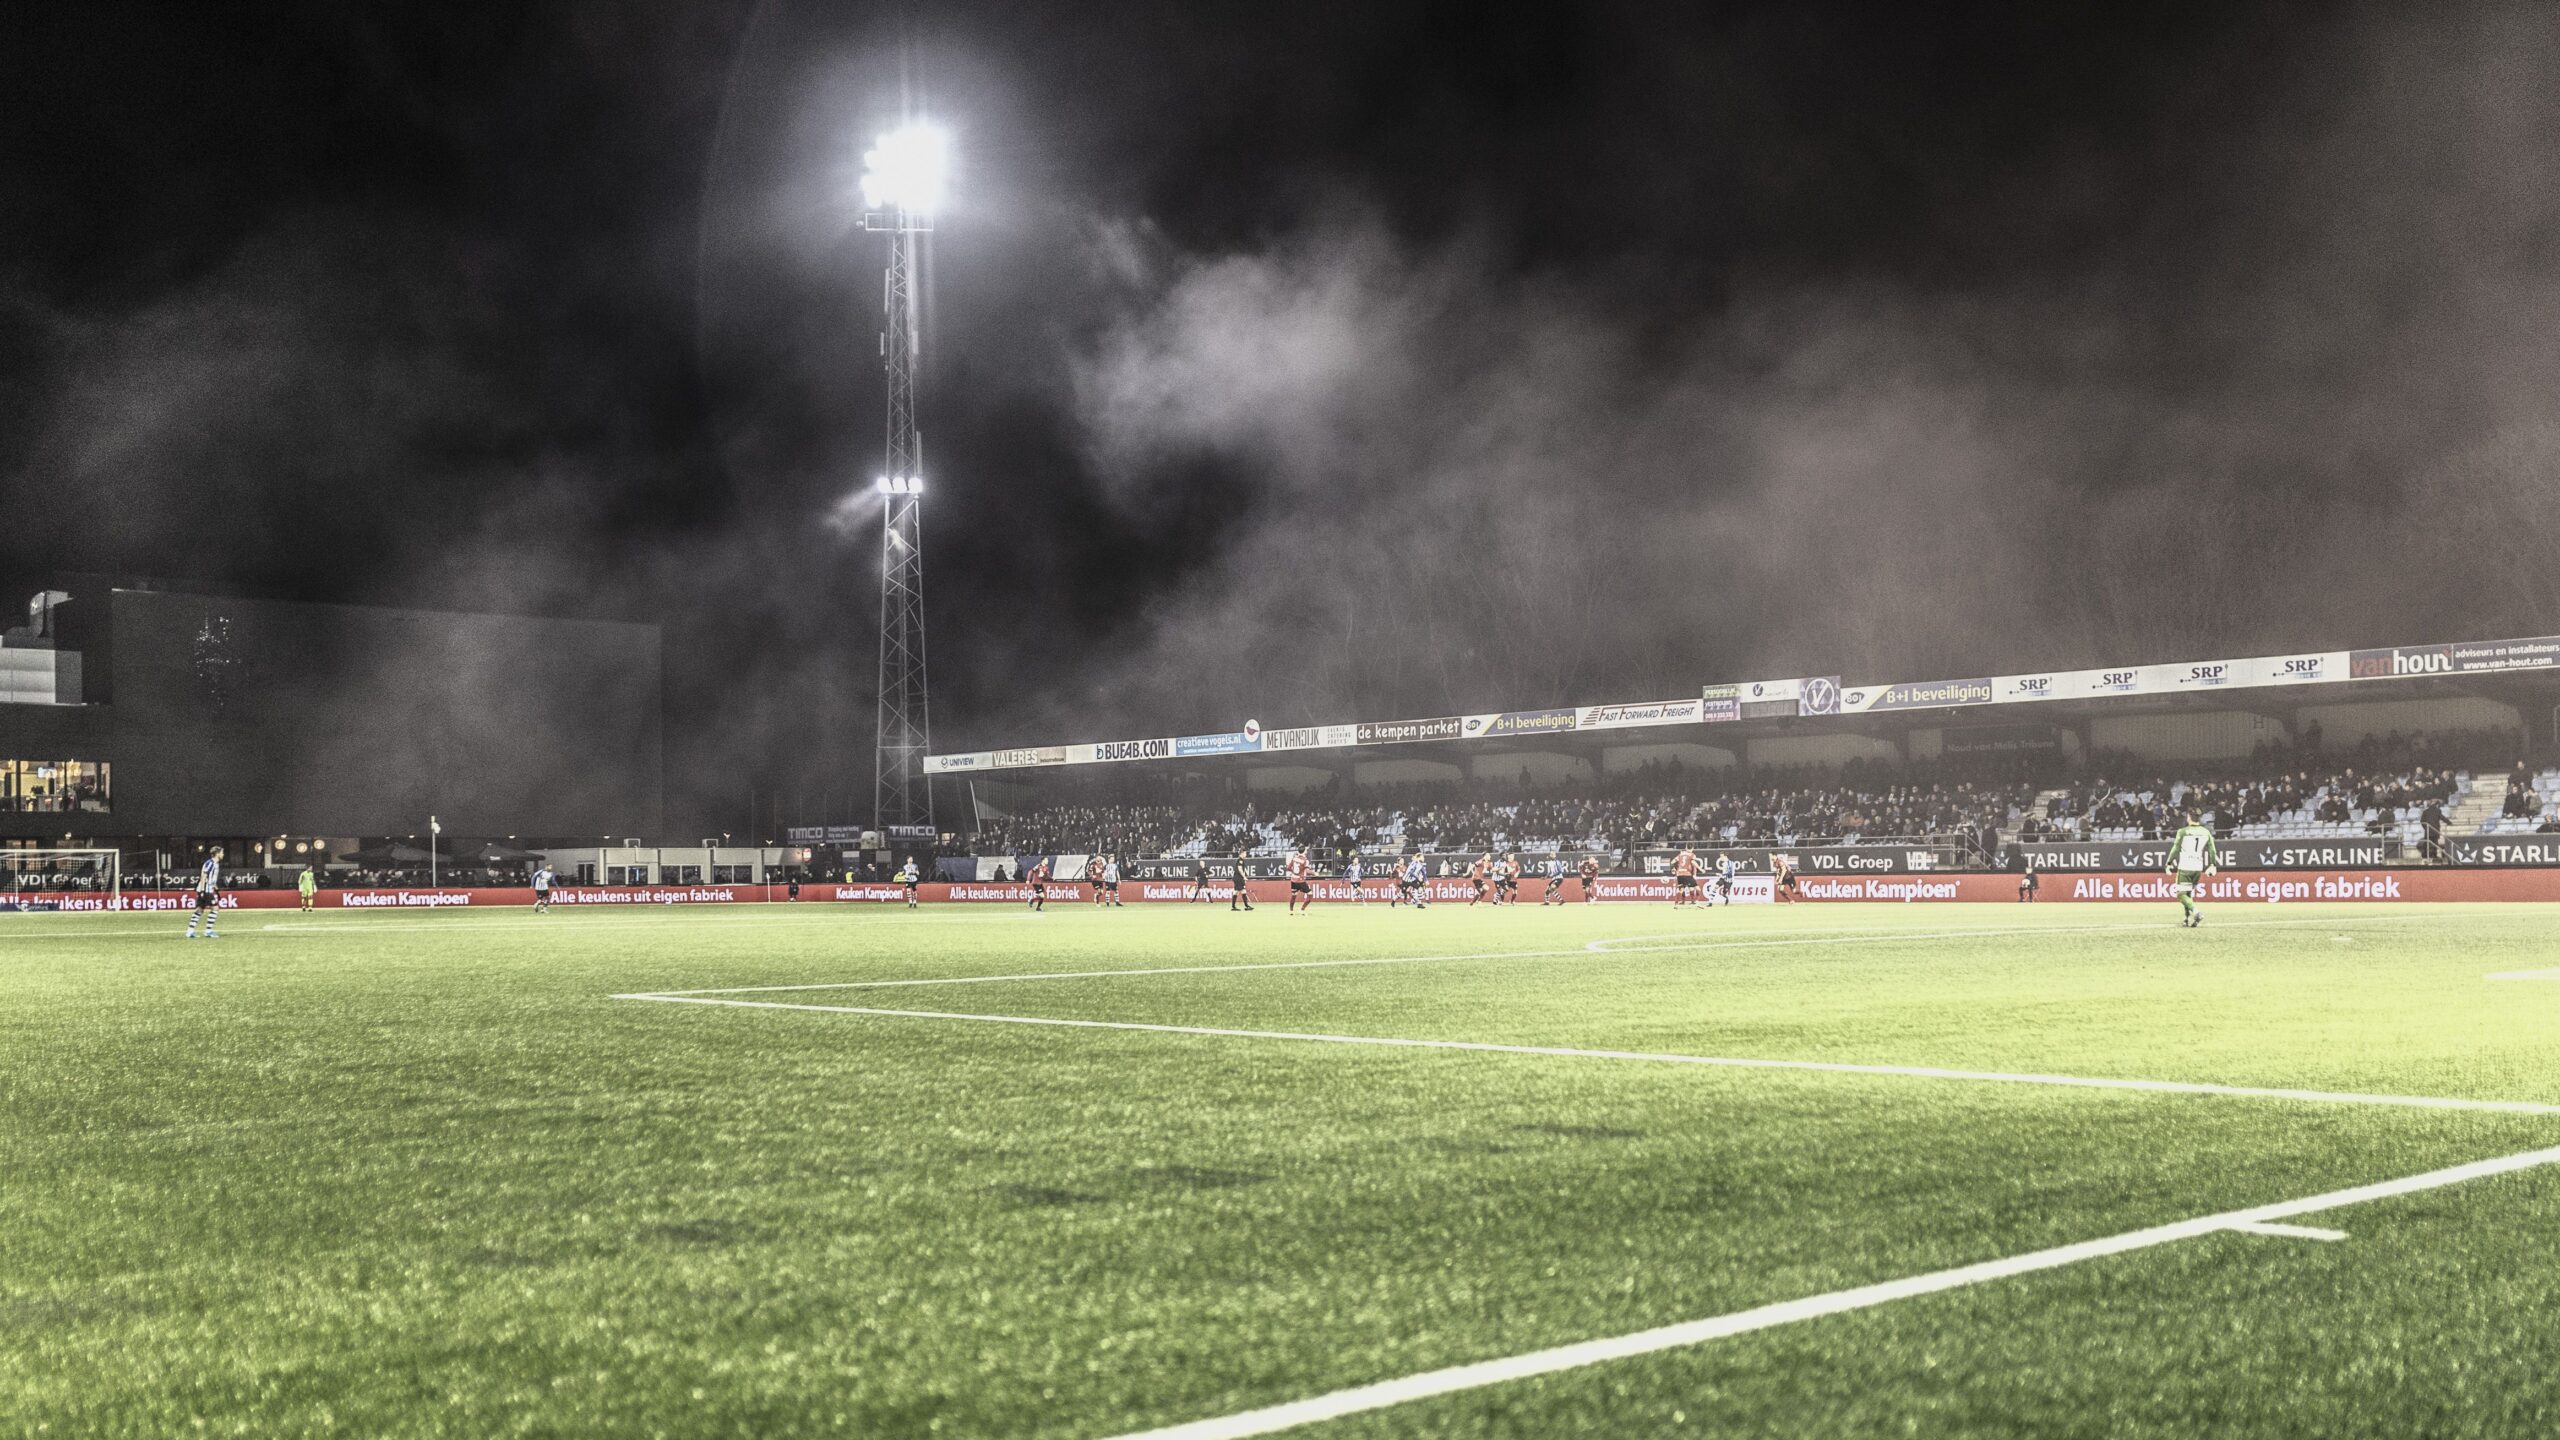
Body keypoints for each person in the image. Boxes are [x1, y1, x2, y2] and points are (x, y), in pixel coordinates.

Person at [2164, 809, 2219, 928]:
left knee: (2180, 894)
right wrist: (2212, 864)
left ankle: (2196, 912)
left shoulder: (2182, 831)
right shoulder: (2206, 831)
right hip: (2198, 867)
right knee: (2188, 893)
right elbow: (2212, 850)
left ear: (2189, 817)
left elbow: (2176, 848)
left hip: (2185, 866)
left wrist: (2168, 863)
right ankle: (2186, 919)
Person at [187, 847, 223, 940]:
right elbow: (203, 876)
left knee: (199, 910)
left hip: (207, 889)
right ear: (217, 853)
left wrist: (216, 888)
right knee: (215, 908)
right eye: (222, 852)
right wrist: (202, 890)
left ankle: (190, 931)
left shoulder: (215, 864)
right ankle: (208, 931)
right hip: (206, 890)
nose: (223, 854)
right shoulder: (210, 863)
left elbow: (212, 878)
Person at [1286, 848, 1313, 915]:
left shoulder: (1294, 858)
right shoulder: (1305, 860)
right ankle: (1302, 910)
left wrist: (1294, 872)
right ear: (1304, 851)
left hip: (1293, 880)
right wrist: (1314, 873)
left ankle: (1291, 911)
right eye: (1306, 850)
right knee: (1310, 894)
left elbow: (1288, 868)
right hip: (1300, 880)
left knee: (1294, 895)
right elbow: (1307, 871)